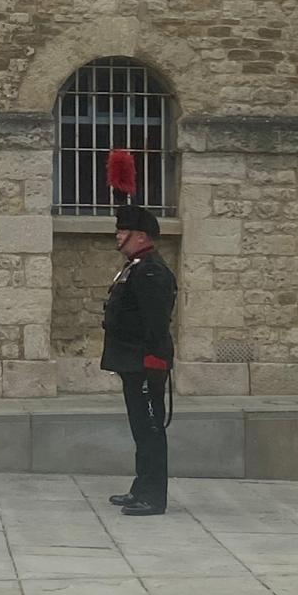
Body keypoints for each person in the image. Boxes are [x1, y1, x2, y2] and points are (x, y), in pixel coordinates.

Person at [101, 203, 177, 516]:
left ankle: (154, 496)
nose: (119, 236)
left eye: (124, 231)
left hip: (145, 362)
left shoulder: (150, 271)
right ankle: (141, 487)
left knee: (150, 430)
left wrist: (153, 362)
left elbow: (155, 324)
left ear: (141, 236)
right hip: (132, 362)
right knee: (140, 429)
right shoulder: (136, 266)